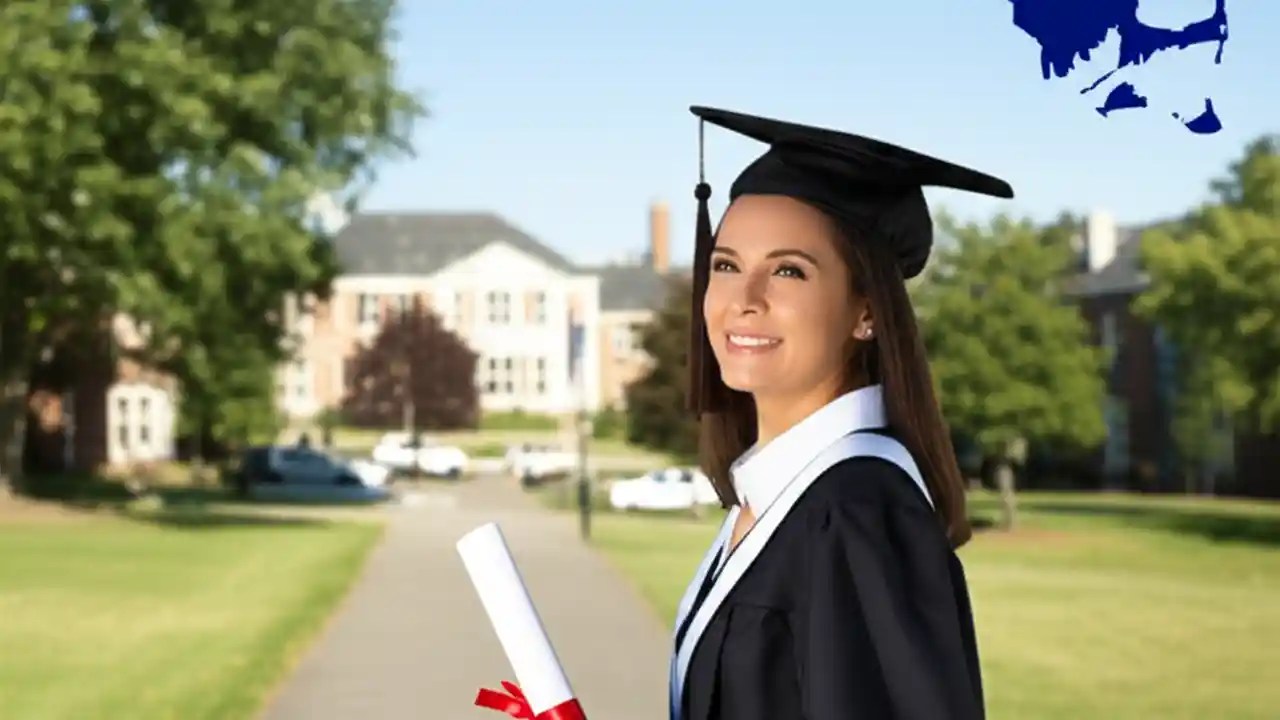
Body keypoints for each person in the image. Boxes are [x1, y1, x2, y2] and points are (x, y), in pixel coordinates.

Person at [669, 106, 1015, 720]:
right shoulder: (775, 496)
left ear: (868, 313)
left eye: (788, 270)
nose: (743, 301)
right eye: (726, 265)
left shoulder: (857, 510)